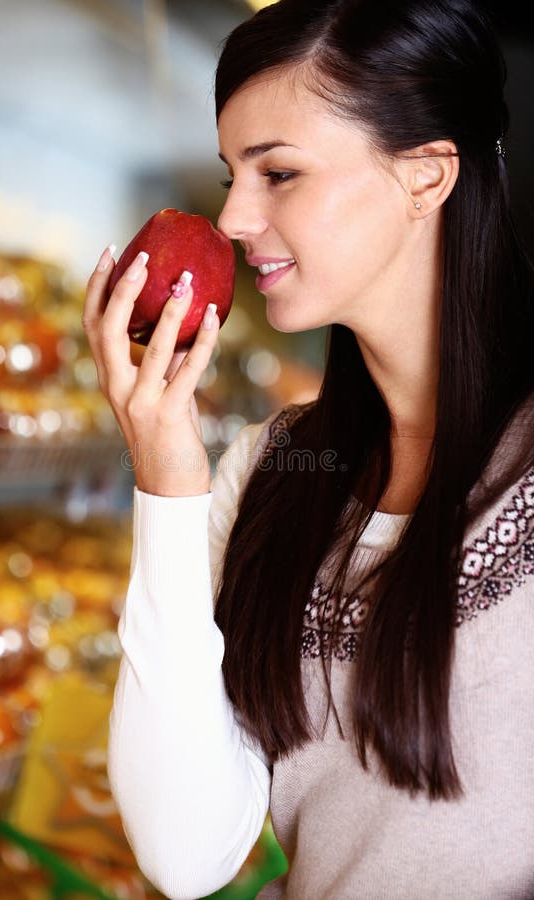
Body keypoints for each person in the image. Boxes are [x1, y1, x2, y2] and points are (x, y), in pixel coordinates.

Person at [82, 0, 534, 896]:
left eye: (278, 174)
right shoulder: (272, 469)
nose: (236, 219)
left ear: (426, 176)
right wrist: (167, 482)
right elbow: (186, 854)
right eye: (230, 178)